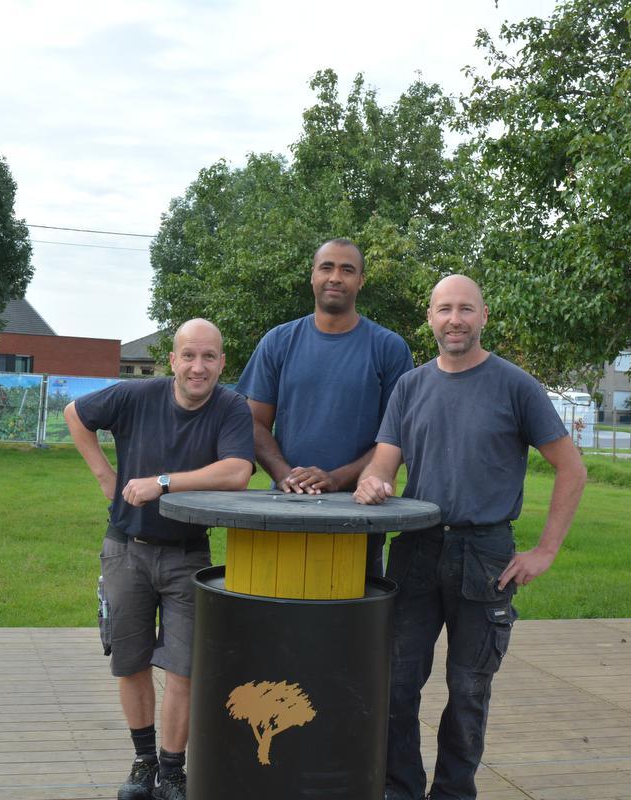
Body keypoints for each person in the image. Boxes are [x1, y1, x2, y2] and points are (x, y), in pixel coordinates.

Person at [354, 274, 586, 800]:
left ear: (483, 316)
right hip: (415, 548)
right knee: (396, 682)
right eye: (443, 309)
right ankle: (400, 789)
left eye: (465, 309)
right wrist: (373, 482)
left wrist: (545, 550)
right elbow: (383, 465)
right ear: (430, 318)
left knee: (468, 689)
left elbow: (571, 469)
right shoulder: (410, 387)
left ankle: (454, 793)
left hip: (485, 554)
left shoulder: (516, 386)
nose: (454, 319)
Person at [64, 318, 253, 800]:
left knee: (184, 668)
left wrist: (163, 482)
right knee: (130, 663)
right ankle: (143, 762)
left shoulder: (230, 406)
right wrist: (106, 475)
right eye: (188, 355)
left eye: (209, 357)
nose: (198, 366)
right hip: (126, 550)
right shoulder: (135, 396)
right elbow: (74, 414)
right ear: (172, 360)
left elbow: (237, 471)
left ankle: (172, 771)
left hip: (189, 556)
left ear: (222, 363)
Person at [235, 237, 412, 573]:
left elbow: (397, 437)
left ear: (361, 281)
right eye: (327, 267)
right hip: (287, 509)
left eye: (348, 270)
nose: (335, 277)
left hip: (361, 512)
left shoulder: (389, 348)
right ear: (312, 275)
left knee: (356, 620)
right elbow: (253, 422)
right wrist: (286, 475)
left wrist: (336, 478)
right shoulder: (278, 342)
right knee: (284, 613)